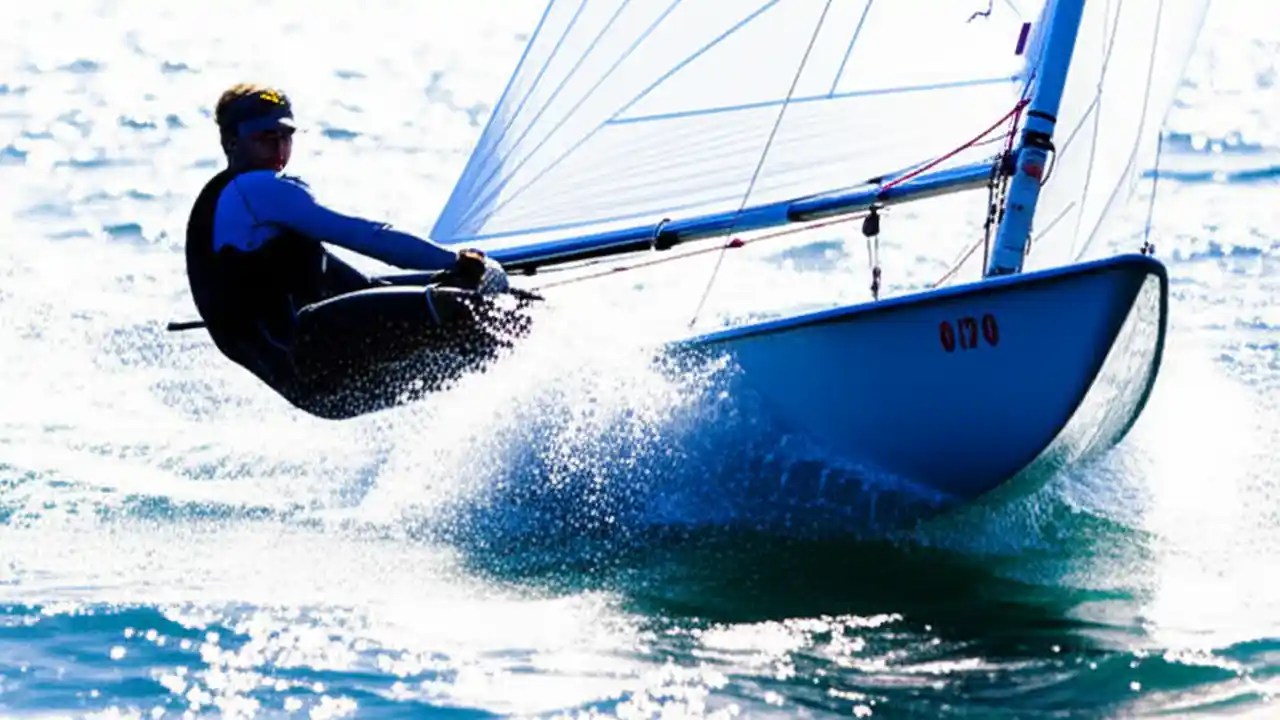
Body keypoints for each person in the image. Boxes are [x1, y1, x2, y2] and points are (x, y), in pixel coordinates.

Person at [185, 83, 532, 419]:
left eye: (285, 136)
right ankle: (550, 367)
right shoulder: (253, 190)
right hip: (316, 353)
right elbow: (367, 236)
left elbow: (355, 286)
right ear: (232, 142)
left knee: (488, 317)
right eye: (265, 138)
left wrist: (443, 279)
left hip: (328, 391)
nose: (278, 149)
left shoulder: (226, 208)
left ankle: (530, 401)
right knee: (471, 311)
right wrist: (455, 261)